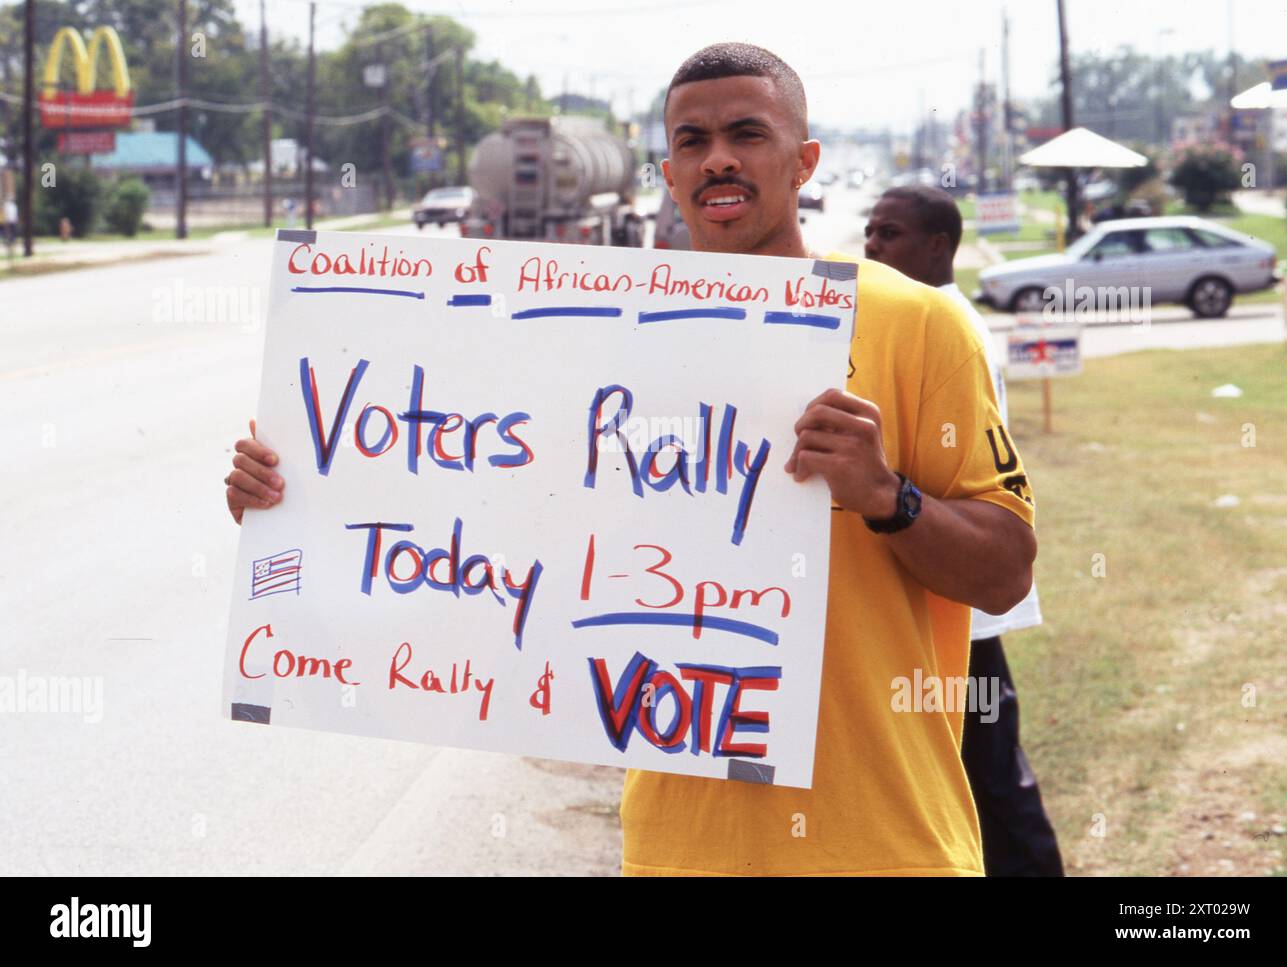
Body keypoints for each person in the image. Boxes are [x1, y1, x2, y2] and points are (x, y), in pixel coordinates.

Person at [225, 42, 1038, 877]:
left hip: (887, 846)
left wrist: (886, 496)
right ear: (667, 173)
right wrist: (297, 500)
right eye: (692, 141)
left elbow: (1006, 570)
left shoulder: (919, 325)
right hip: (675, 851)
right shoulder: (606, 340)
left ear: (804, 163)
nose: (717, 157)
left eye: (747, 133)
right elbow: (484, 546)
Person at [864, 184, 1064, 876]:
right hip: (941, 585)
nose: (871, 246)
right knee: (976, 769)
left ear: (937, 246)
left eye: (888, 234)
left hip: (959, 597)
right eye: (869, 232)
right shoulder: (917, 315)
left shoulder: (946, 325)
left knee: (993, 778)